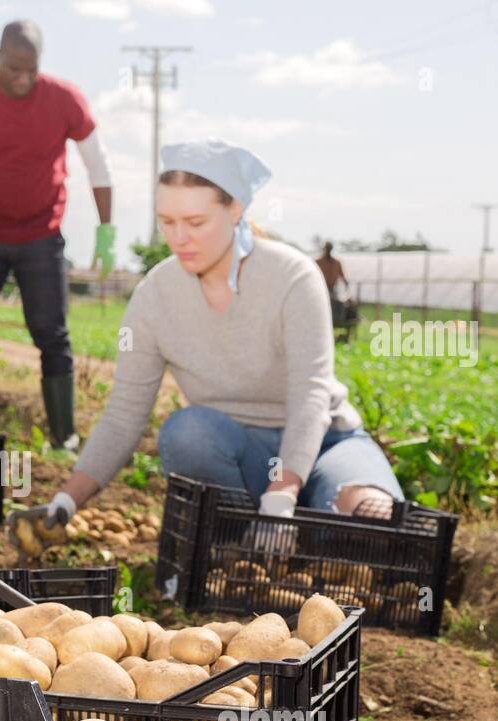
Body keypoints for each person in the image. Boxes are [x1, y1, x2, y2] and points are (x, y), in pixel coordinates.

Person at [21, 139, 403, 533]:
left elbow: (311, 396)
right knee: (187, 433)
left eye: (196, 223)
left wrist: (281, 496)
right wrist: (66, 500)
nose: (179, 238)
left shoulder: (291, 276)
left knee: (376, 519)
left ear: (235, 209)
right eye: (167, 222)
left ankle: (305, 522)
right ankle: (238, 539)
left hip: (325, 443)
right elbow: (124, 414)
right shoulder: (156, 295)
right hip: (238, 457)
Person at [0, 19, 115, 450]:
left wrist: (106, 229)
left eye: (31, 68)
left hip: (40, 233)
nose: (23, 78)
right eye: (14, 68)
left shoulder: (63, 99)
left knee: (52, 333)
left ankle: (63, 438)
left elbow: (98, 166)